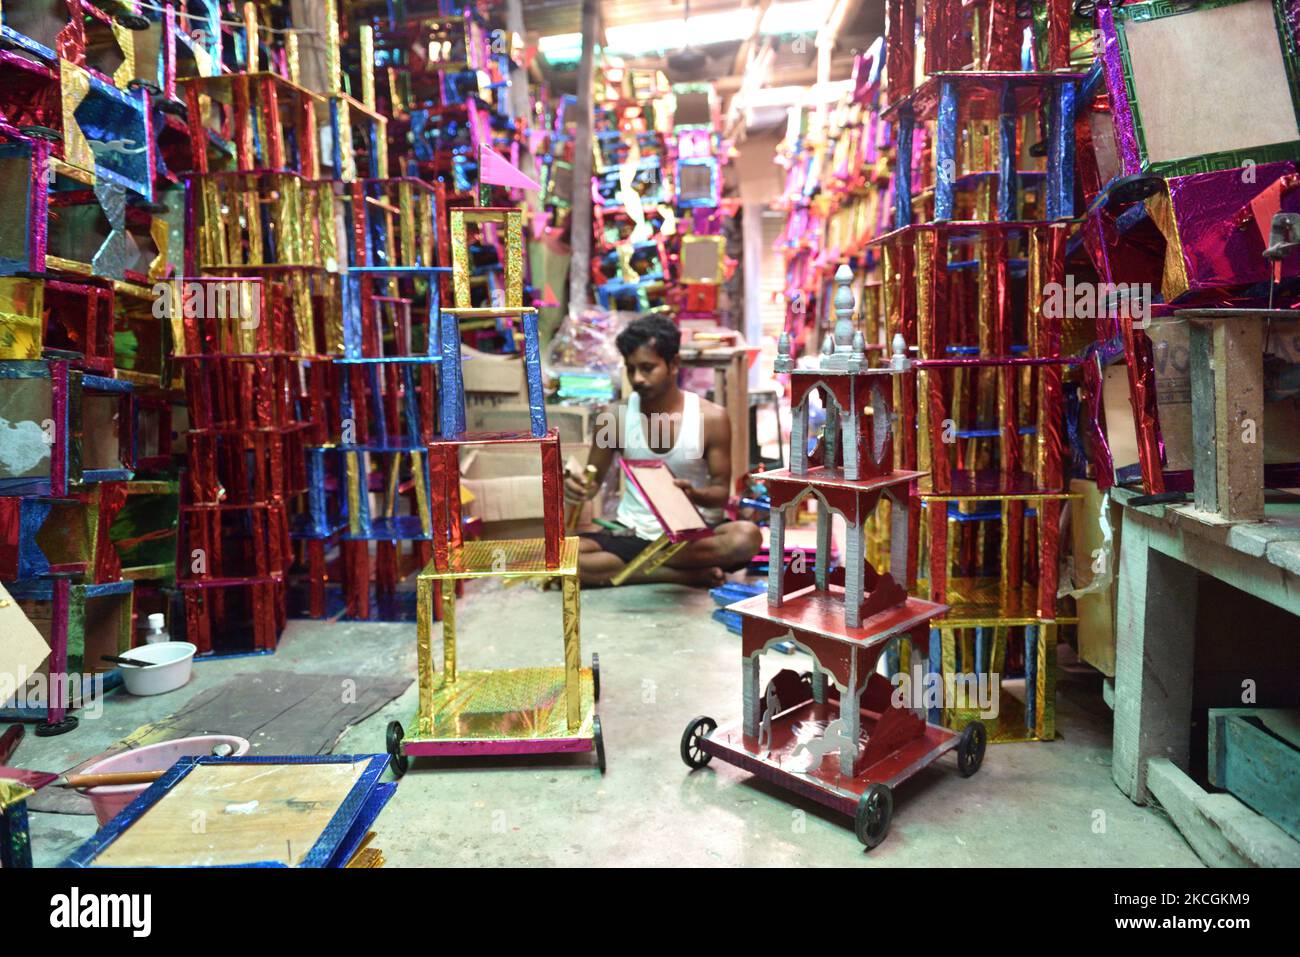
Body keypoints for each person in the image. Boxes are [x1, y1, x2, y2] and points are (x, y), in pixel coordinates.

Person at [565, 315, 762, 586]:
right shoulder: (615, 417)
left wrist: (695, 494)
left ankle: (631, 571)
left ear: (674, 364)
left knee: (746, 538)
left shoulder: (711, 418)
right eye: (630, 368)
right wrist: (577, 487)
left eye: (647, 368)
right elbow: (592, 483)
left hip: (692, 537)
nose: (637, 378)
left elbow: (719, 494)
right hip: (634, 533)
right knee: (560, 556)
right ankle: (679, 574)